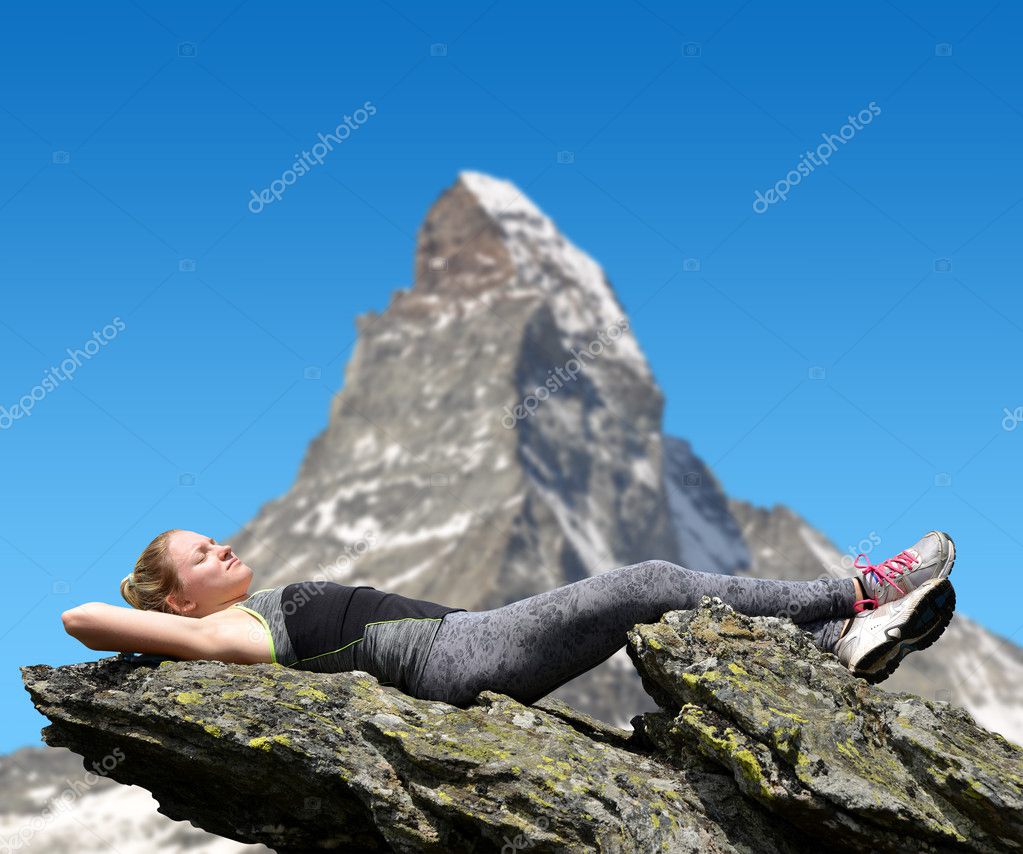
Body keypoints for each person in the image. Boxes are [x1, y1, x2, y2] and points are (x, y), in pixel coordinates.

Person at [61, 529, 957, 707]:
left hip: (469, 638)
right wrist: (156, 620)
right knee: (638, 582)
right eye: (201, 559)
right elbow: (81, 619)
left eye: (216, 541)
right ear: (180, 600)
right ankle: (856, 595)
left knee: (646, 600)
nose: (222, 550)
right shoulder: (218, 634)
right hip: (456, 660)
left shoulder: (243, 611)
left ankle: (831, 642)